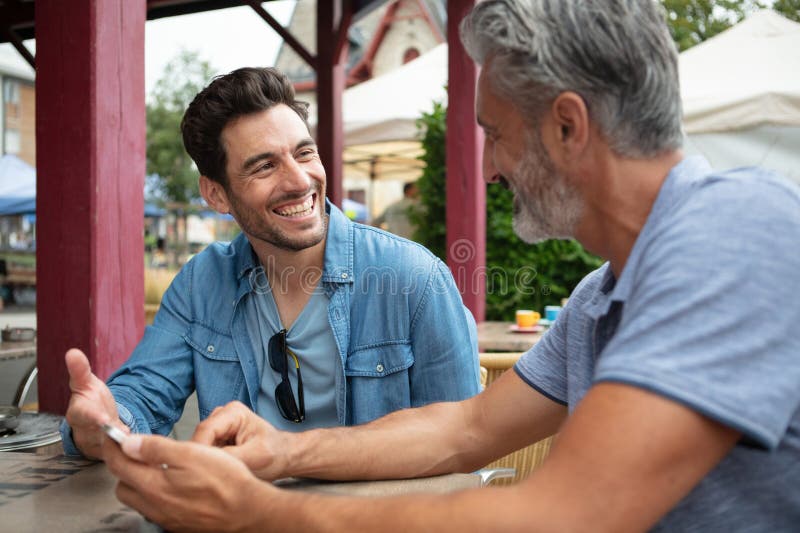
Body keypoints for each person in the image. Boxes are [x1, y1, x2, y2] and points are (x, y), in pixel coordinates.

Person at [103, 1, 800, 531]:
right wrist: (281, 455)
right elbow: (463, 429)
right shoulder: (600, 297)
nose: (488, 169)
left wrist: (260, 511)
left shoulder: (734, 232)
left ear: (567, 125)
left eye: (493, 134)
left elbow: (561, 515)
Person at [61, 67, 480, 460]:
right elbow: (142, 398)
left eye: (304, 153)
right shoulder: (201, 283)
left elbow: (463, 442)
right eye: (264, 166)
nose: (299, 180)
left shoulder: (416, 279)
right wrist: (104, 425)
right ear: (216, 195)